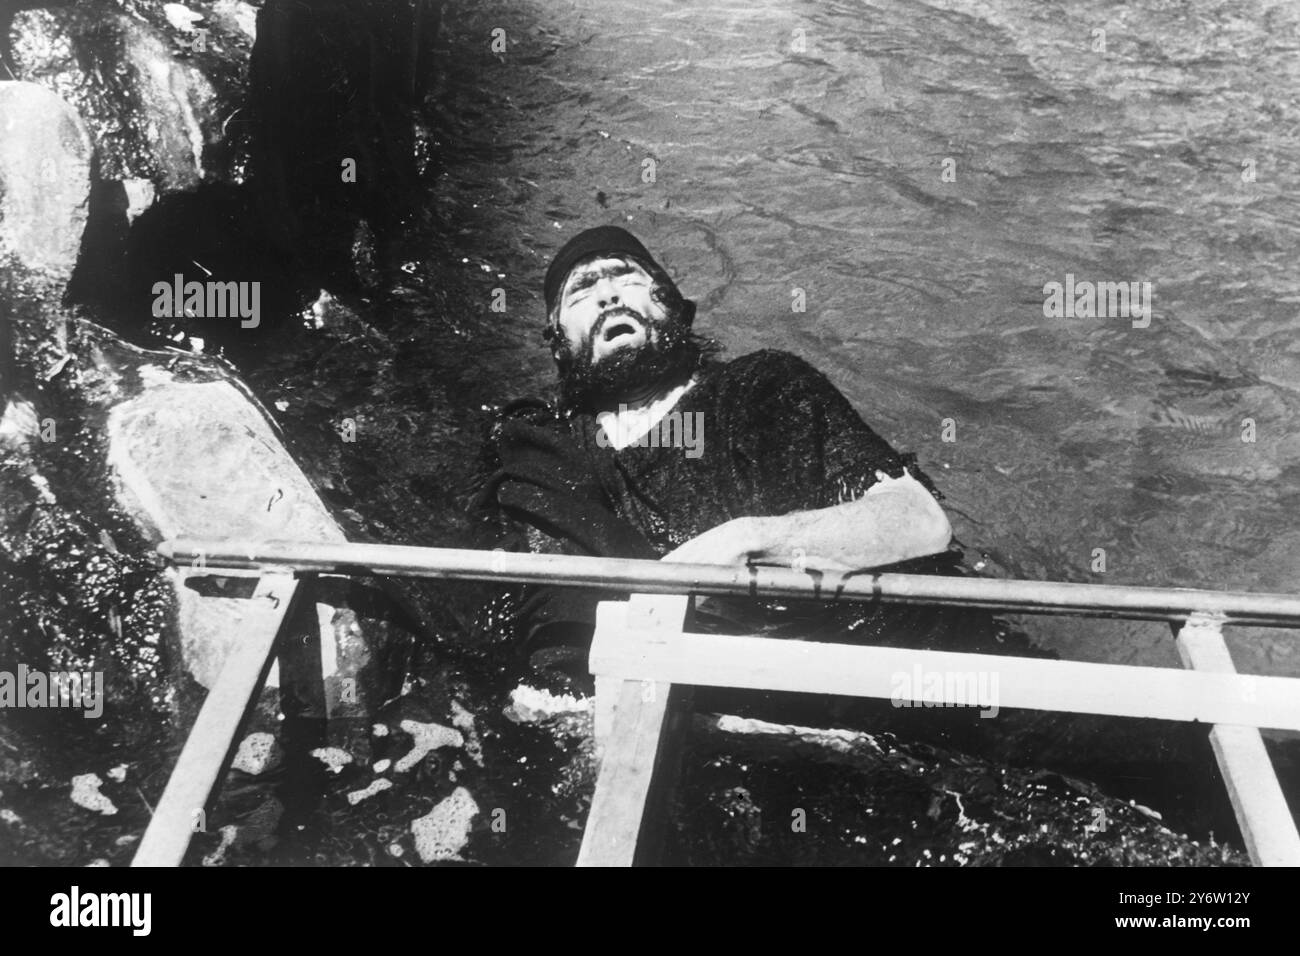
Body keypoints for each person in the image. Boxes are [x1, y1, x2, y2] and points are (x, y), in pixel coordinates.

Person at [470, 226, 980, 683]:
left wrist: (750, 540)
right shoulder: (548, 456)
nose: (606, 293)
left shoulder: (764, 387)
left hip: (892, 670)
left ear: (670, 304)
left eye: (624, 276)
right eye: (581, 290)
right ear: (557, 340)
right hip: (699, 706)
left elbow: (919, 521)